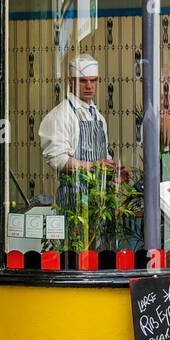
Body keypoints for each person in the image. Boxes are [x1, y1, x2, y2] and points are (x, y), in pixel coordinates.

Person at [39, 57, 116, 231]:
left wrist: (112, 173)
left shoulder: (99, 118)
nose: (89, 86)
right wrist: (93, 166)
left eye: (93, 81)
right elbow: (58, 160)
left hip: (98, 203)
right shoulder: (61, 116)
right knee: (73, 255)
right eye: (83, 81)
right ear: (70, 82)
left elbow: (103, 157)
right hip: (73, 202)